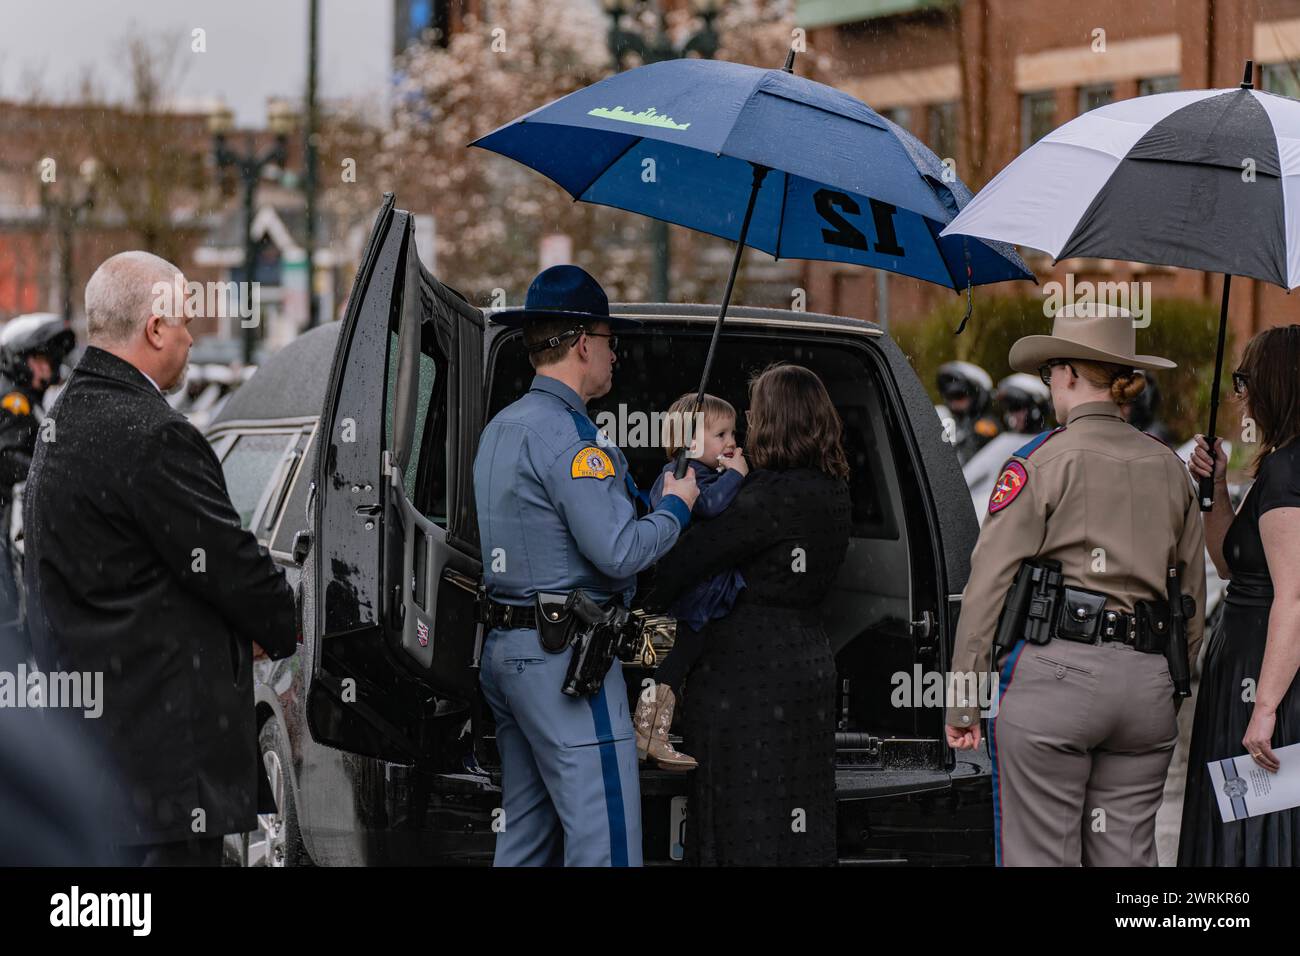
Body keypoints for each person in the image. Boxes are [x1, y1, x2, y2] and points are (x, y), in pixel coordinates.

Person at [23, 251, 297, 866]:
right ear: (154, 329)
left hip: (95, 754)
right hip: (164, 768)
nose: (192, 338)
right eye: (184, 323)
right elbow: (231, 563)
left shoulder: (63, 419)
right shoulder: (154, 433)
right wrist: (276, 624)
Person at [945, 303, 1206, 867]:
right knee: (1128, 859)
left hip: (1055, 678)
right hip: (1147, 685)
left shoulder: (1039, 461)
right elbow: (1189, 598)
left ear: (1065, 373)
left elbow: (988, 584)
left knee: (1041, 854)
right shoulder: (1169, 467)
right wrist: (1172, 681)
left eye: (1049, 374)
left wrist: (964, 699)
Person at [473, 264, 698, 867]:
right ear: (582, 344)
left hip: (507, 654)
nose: (614, 356)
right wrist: (676, 508)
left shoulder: (502, 428)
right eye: (609, 342)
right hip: (566, 663)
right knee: (606, 842)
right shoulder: (574, 442)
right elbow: (620, 551)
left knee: (525, 836)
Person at [646, 363, 851, 866]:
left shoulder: (766, 496)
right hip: (809, 668)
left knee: (739, 823)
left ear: (776, 421)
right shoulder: (835, 490)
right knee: (799, 824)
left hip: (748, 681)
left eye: (756, 415)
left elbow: (686, 560)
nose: (749, 427)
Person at [1180, 324, 1300, 866]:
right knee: (1248, 825)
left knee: (1251, 833)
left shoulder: (1286, 472)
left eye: (1245, 379)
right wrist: (1215, 491)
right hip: (1250, 671)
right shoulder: (1279, 464)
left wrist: (1265, 709)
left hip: (1264, 681)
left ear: (1275, 385)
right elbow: (1232, 564)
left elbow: (1294, 597)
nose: (1240, 394)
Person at [638, 391, 747, 771]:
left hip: (704, 589)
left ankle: (658, 730)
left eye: (733, 433)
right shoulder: (680, 474)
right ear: (689, 441)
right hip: (695, 592)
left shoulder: (700, 472)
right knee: (679, 658)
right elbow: (710, 505)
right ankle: (650, 730)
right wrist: (736, 475)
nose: (732, 443)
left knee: (689, 658)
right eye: (721, 435)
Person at [0, 313, 75, 649]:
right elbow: (6, 457)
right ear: (20, 359)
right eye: (40, 361)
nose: (48, 370)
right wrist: (48, 473)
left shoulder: (28, 401)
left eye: (50, 362)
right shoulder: (13, 402)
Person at [938, 360, 999, 465]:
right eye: (949, 396)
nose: (954, 402)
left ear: (976, 395)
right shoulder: (945, 419)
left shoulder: (986, 425)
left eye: (958, 395)